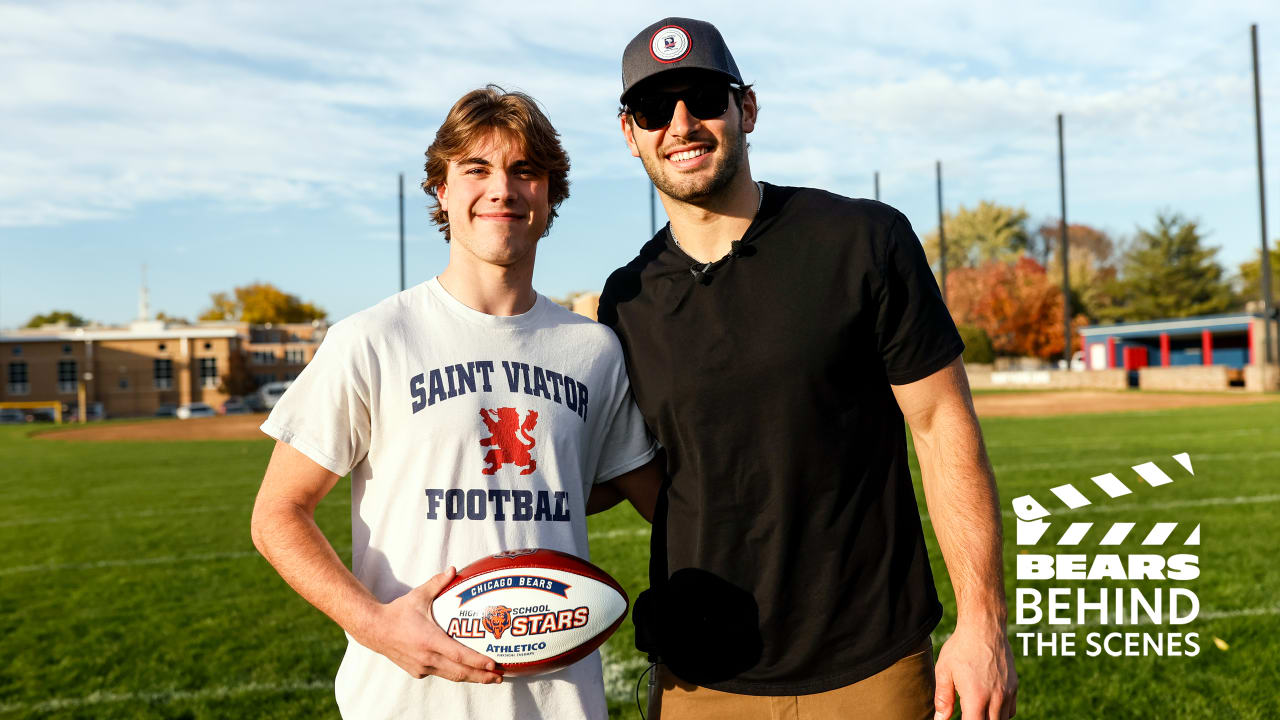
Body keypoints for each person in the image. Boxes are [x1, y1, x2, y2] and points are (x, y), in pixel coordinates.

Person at [598, 18, 1017, 720]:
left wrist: (982, 625)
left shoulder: (863, 239)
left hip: (870, 663)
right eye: (653, 110)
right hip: (701, 682)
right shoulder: (626, 299)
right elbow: (639, 477)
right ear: (630, 134)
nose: (680, 124)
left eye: (703, 98)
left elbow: (942, 424)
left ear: (746, 109)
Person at [251, 85, 658, 720]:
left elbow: (641, 493)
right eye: (477, 169)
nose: (503, 189)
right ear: (442, 191)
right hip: (406, 702)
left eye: (525, 170)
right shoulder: (372, 339)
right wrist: (376, 626)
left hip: (560, 704)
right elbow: (278, 514)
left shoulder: (594, 350)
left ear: (550, 195)